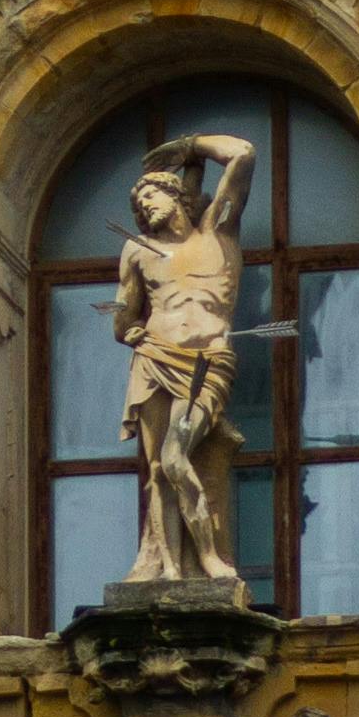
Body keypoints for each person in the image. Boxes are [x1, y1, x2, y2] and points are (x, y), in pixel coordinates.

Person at [111, 135, 253, 592]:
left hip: (208, 359)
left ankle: (210, 554)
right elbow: (124, 315)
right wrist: (128, 329)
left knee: (176, 456)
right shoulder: (138, 250)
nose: (144, 209)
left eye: (151, 196)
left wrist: (191, 149)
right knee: (157, 468)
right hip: (154, 358)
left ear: (175, 196)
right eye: (138, 206)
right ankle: (168, 567)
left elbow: (243, 154)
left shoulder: (219, 232)